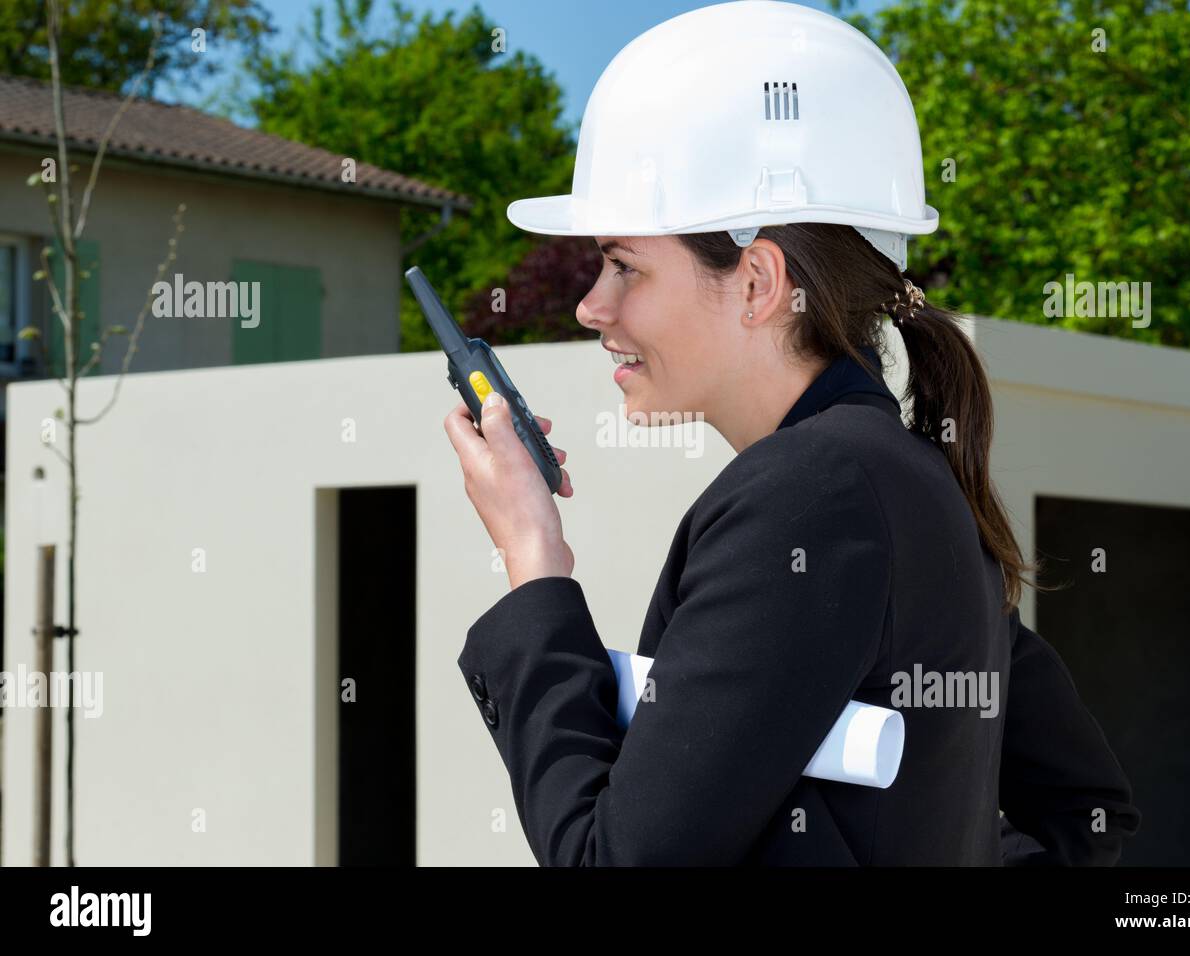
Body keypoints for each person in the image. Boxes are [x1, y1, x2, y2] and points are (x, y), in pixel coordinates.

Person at [443, 0, 1140, 866]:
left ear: (758, 280)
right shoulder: (900, 485)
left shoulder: (809, 498)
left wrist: (532, 562)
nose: (592, 305)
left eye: (625, 265)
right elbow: (1087, 817)